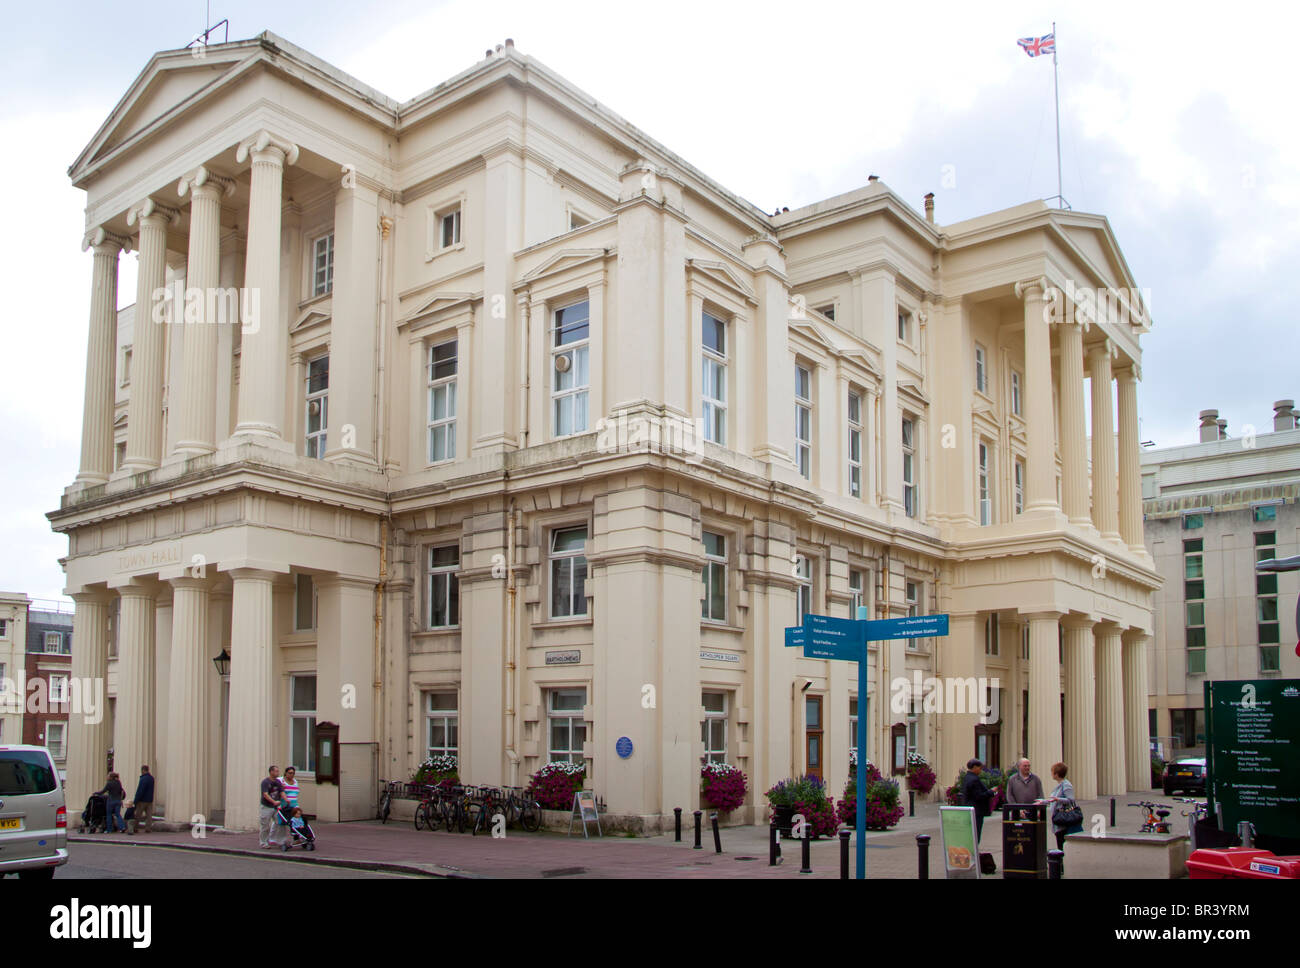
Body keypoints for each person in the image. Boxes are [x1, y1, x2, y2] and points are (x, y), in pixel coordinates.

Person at [1047, 762, 1084, 855]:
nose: (1051, 774)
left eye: (1052, 772)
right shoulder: (1059, 785)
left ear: (1056, 774)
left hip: (1064, 820)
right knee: (1059, 842)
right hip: (1058, 821)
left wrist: (1057, 799)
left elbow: (1071, 800)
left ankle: (1063, 866)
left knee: (1062, 844)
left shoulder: (1066, 785)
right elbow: (1054, 800)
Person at [961, 758, 995, 844]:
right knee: (975, 833)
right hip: (976, 811)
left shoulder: (967, 777)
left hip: (969, 809)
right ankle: (974, 853)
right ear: (975, 767)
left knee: (971, 833)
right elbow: (979, 796)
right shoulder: (974, 780)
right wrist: (991, 792)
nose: (981, 771)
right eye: (980, 768)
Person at [259, 765, 285, 849]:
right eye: (276, 771)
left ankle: (280, 840)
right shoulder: (265, 782)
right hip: (267, 806)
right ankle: (263, 842)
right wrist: (274, 802)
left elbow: (281, 792)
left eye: (278, 771)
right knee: (265, 825)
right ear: (271, 772)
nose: (278, 773)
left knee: (280, 823)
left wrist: (287, 800)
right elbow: (265, 794)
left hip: (276, 807)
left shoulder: (278, 782)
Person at [128, 765, 154, 835]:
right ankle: (148, 828)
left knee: (138, 814)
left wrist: (136, 800)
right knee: (149, 815)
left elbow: (140, 790)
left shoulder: (143, 779)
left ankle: (135, 828)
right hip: (149, 800)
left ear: (143, 770)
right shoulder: (151, 778)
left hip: (142, 800)